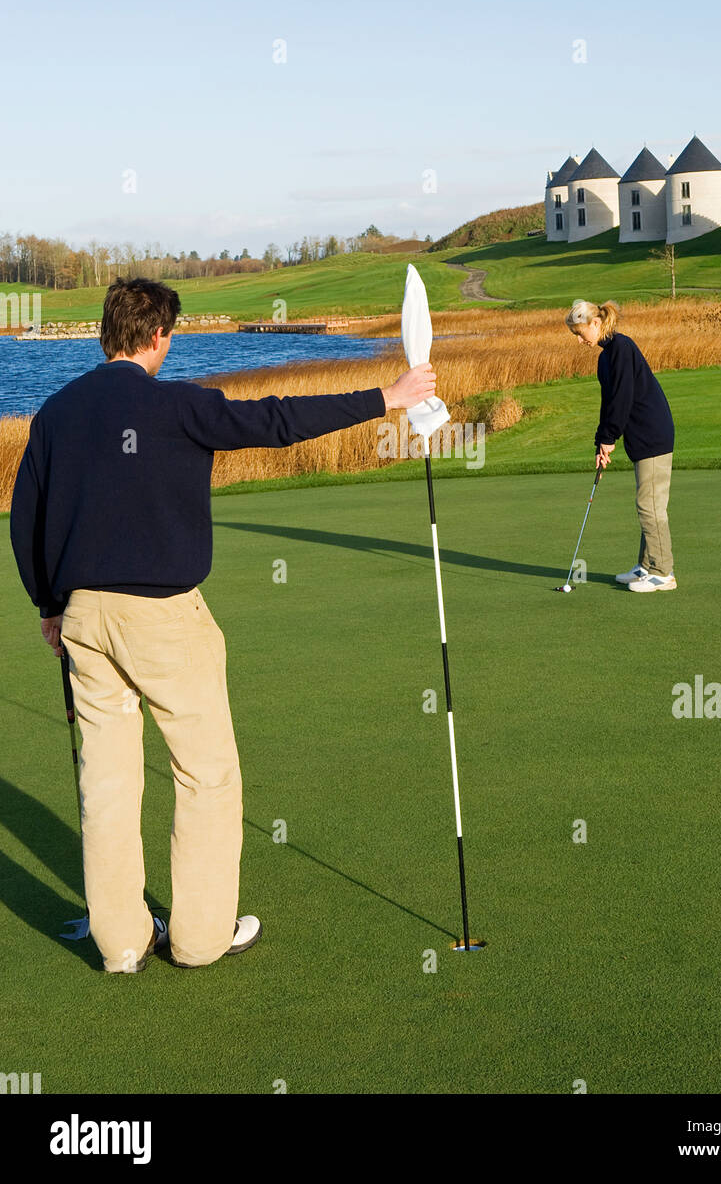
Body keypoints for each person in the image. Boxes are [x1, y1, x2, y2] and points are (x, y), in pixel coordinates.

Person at [10, 277, 436, 973]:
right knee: (205, 775)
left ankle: (120, 944)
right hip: (165, 615)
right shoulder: (182, 404)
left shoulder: (56, 411)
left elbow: (26, 518)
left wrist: (48, 606)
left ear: (102, 336)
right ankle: (201, 938)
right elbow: (276, 422)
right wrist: (385, 398)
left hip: (83, 617)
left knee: (108, 781)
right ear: (158, 338)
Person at [565, 299, 676, 593]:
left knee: (649, 505)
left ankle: (663, 572)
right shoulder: (607, 356)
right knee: (648, 504)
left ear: (596, 324)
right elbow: (609, 403)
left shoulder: (622, 349)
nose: (579, 340)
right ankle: (647, 566)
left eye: (580, 333)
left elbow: (623, 399)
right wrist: (602, 440)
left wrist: (610, 437)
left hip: (653, 434)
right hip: (642, 436)